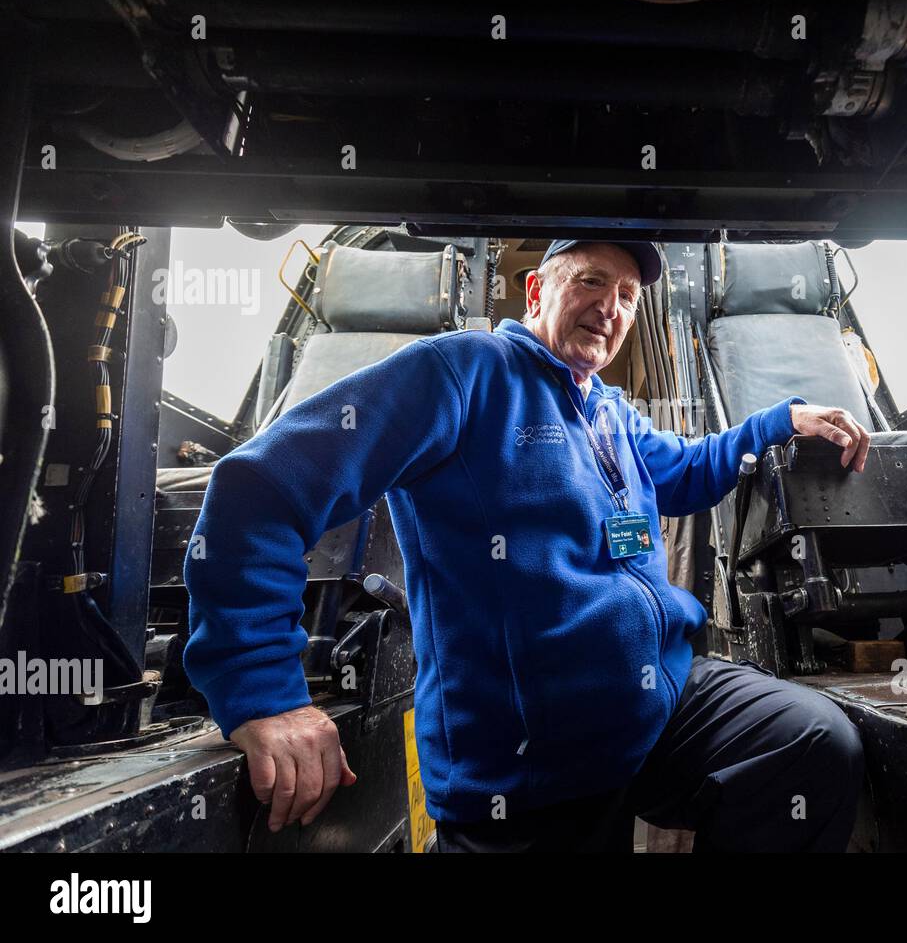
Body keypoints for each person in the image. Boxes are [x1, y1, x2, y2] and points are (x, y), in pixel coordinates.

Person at [183, 238, 871, 851]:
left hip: (656, 704)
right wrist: (264, 692)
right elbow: (263, 486)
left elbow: (688, 469)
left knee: (810, 744)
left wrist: (784, 419)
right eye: (592, 281)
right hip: (528, 760)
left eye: (628, 295)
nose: (612, 307)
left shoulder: (609, 410)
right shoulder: (463, 370)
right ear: (537, 289)